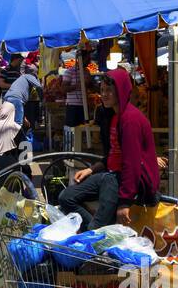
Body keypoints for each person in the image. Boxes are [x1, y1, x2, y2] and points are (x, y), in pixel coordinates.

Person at [59, 69, 158, 229]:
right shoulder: (111, 116)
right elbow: (112, 154)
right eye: (102, 90)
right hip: (110, 176)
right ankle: (94, 229)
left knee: (97, 226)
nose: (104, 94)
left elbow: (131, 164)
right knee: (65, 197)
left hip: (126, 180)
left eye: (109, 90)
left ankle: (95, 231)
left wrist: (124, 203)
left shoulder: (130, 120)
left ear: (121, 91)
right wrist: (91, 170)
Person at [62, 57, 88, 128]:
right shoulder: (69, 71)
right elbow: (63, 89)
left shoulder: (86, 71)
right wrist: (77, 86)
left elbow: (90, 86)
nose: (89, 61)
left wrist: (89, 83)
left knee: (83, 129)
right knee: (72, 129)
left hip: (85, 105)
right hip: (72, 106)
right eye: (87, 59)